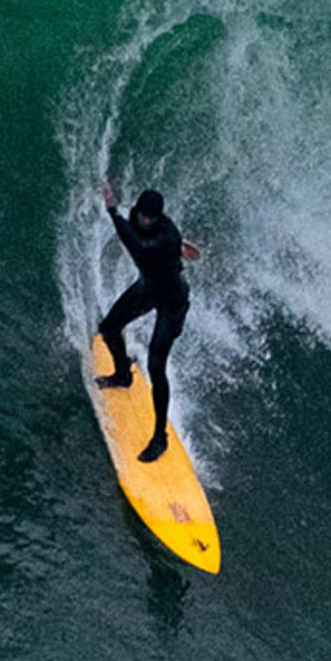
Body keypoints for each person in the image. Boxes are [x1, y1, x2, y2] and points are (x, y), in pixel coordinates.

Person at [94, 180, 201, 464]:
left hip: (173, 303)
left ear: (158, 218)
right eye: (141, 215)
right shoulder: (141, 219)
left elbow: (139, 246)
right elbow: (137, 231)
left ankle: (160, 438)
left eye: (149, 218)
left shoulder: (166, 235)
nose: (143, 221)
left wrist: (112, 210)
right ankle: (122, 374)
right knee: (108, 329)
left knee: (156, 365)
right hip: (149, 288)